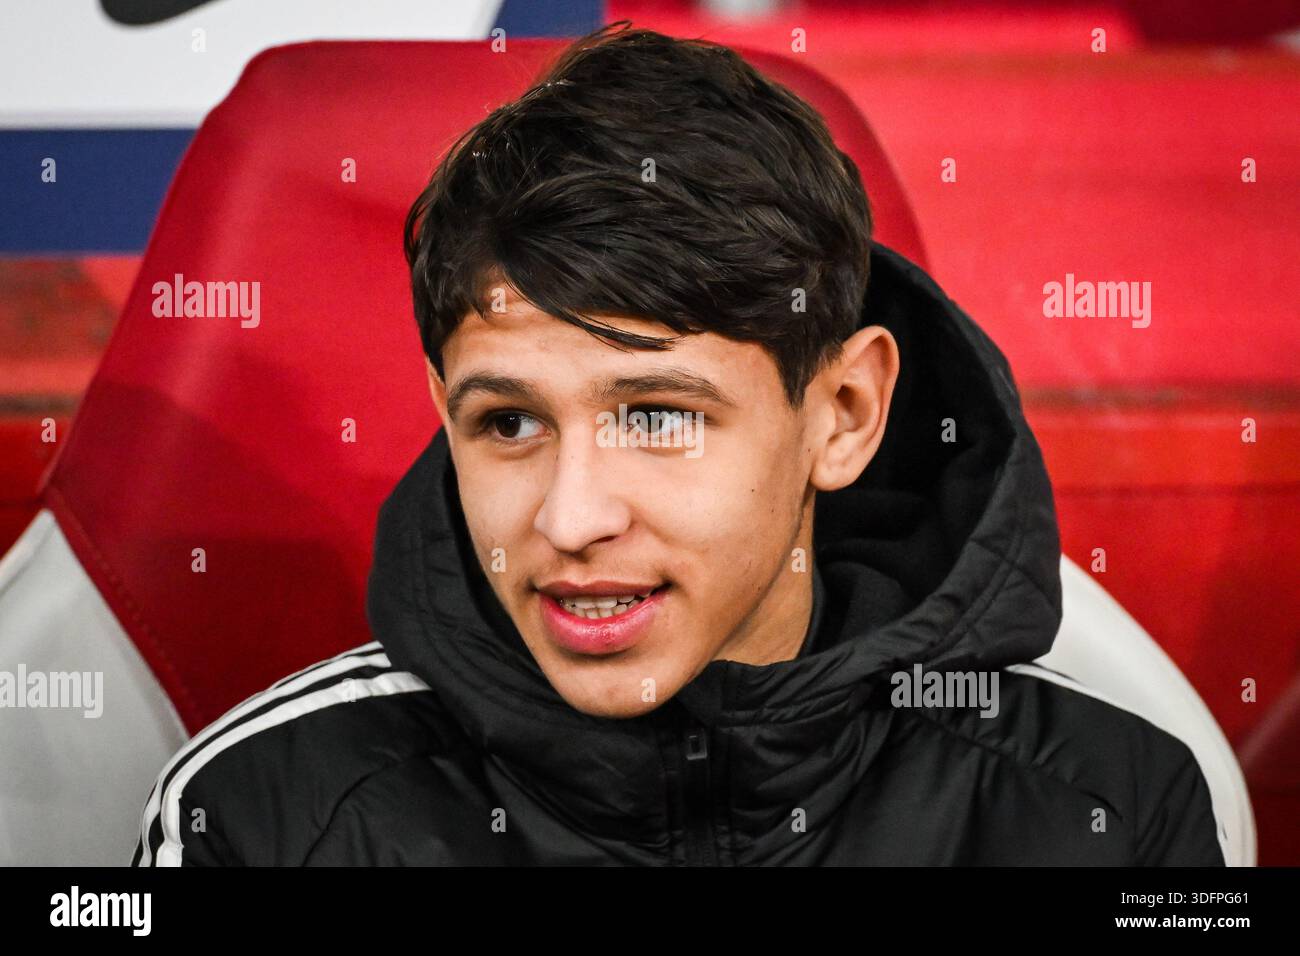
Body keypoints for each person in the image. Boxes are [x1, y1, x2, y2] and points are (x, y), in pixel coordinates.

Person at [132, 21, 1224, 866]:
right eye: (508, 422)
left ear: (841, 414)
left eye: (658, 416)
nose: (567, 518)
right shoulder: (260, 817)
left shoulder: (1113, 806)